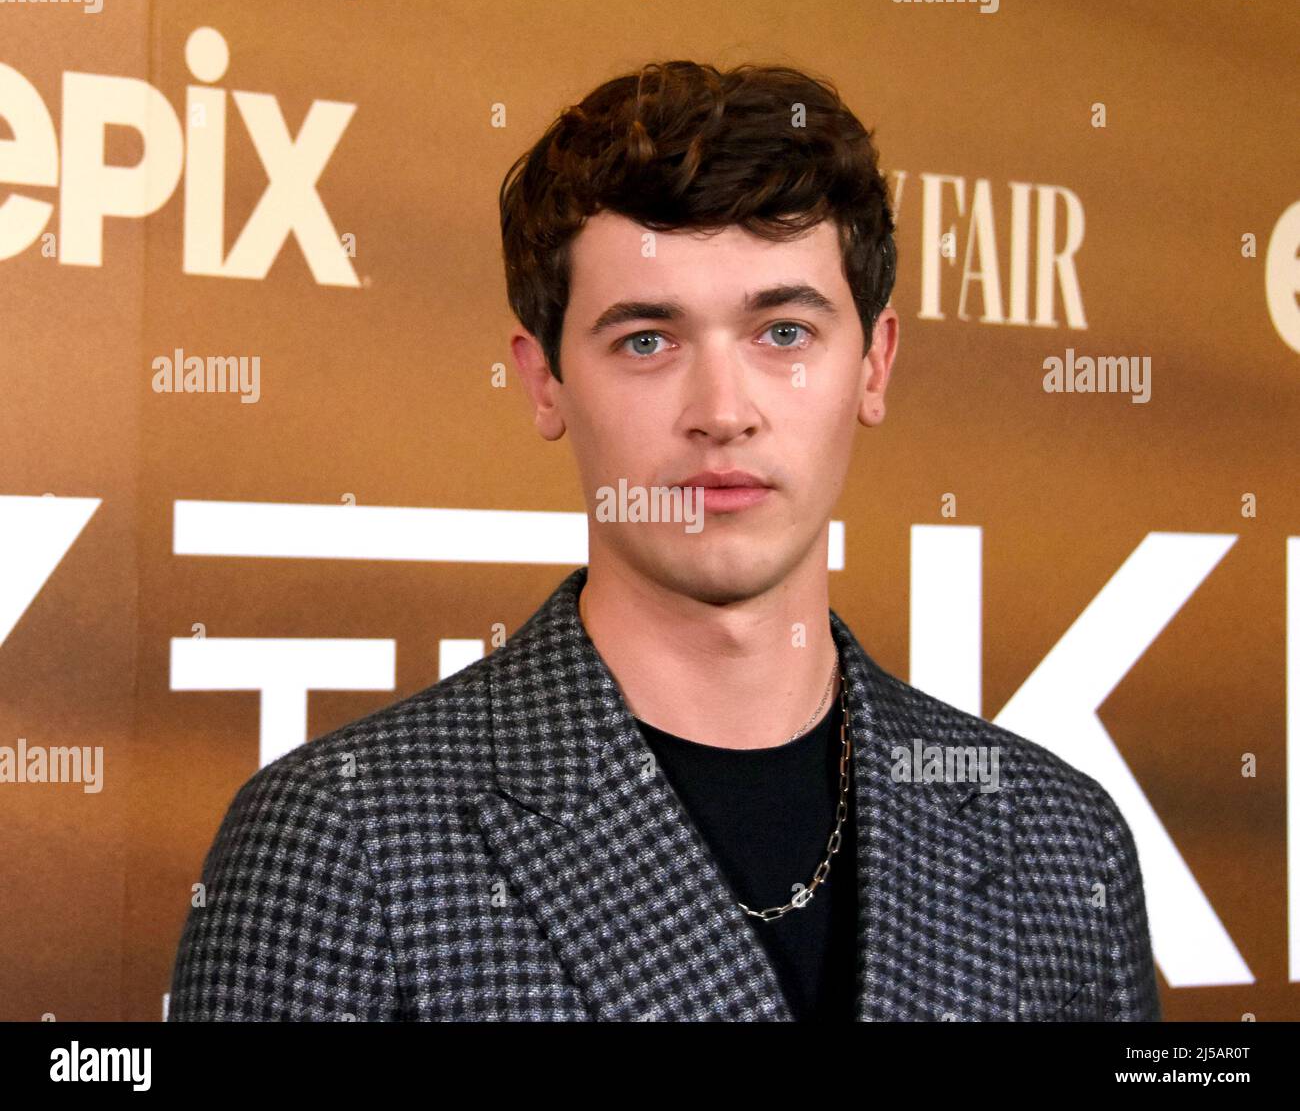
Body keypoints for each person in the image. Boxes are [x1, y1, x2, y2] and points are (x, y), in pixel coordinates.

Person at [169, 60, 1160, 1022]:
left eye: (783, 333)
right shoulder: (339, 839)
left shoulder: (1058, 837)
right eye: (647, 340)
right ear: (544, 380)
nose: (722, 412)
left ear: (875, 363)